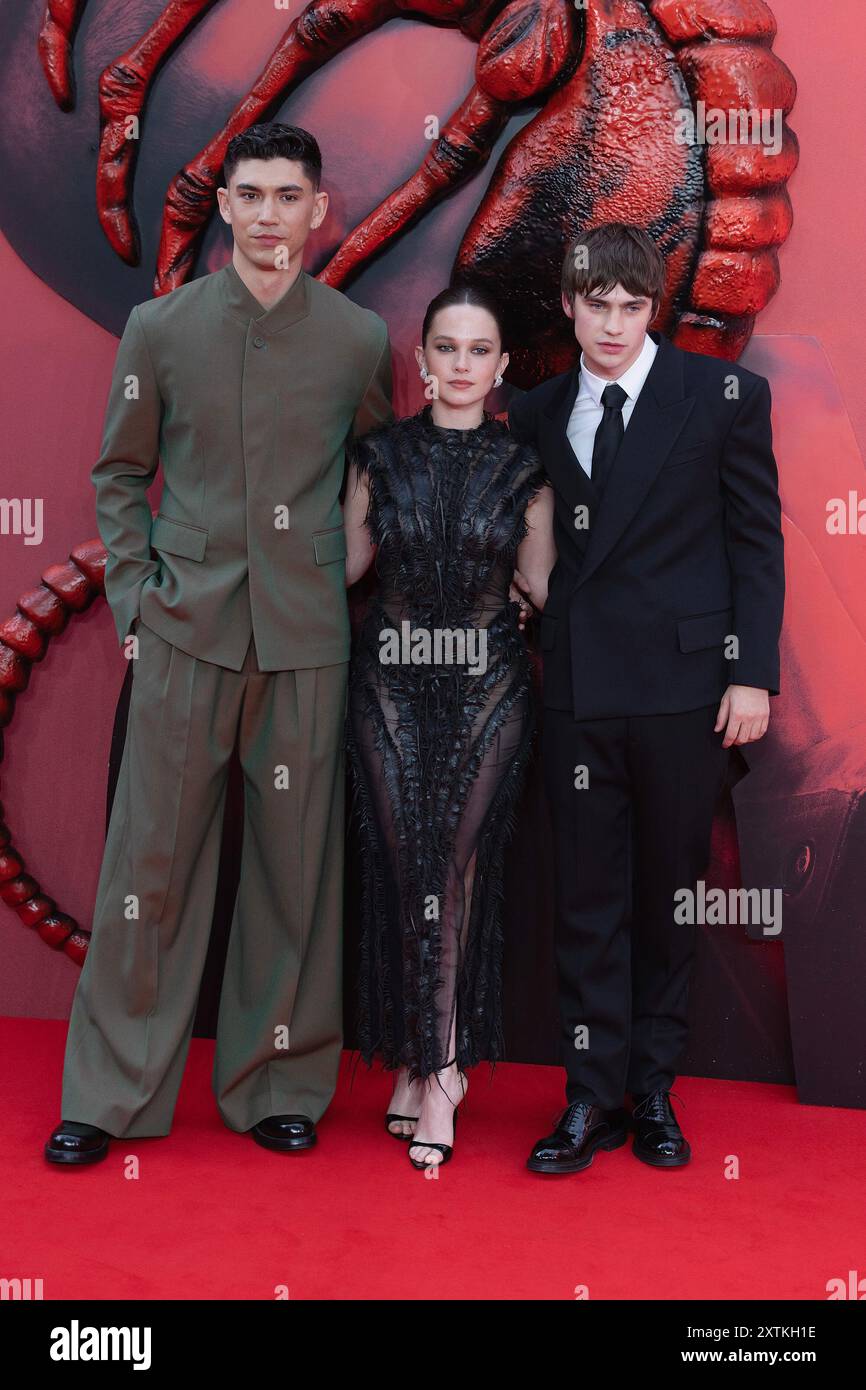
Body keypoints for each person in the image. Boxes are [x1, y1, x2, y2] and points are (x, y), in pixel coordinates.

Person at [45, 122, 393, 1165]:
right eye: (251, 194)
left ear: (317, 210)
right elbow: (118, 476)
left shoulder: (357, 339)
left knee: (294, 874)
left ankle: (277, 1082)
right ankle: (108, 1094)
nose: (270, 214)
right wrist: (139, 603)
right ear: (225, 207)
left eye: (289, 195)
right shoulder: (159, 328)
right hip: (185, 632)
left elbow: (373, 457)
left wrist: (350, 549)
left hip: (305, 639)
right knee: (146, 870)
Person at [508, 222, 785, 1174]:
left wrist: (751, 672)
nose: (615, 324)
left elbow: (757, 540)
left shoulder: (721, 397)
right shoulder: (537, 411)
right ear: (570, 305)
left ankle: (654, 1092)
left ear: (653, 307)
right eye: (598, 305)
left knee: (670, 897)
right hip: (579, 687)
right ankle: (590, 1100)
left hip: (685, 690)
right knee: (585, 901)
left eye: (632, 307)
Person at [343, 285, 555, 1168]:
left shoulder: (526, 474)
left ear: (501, 367)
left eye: (479, 351)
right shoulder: (375, 459)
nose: (461, 365)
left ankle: (440, 1072)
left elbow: (541, 593)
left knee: (451, 875)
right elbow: (344, 568)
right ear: (421, 360)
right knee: (402, 870)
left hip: (485, 696)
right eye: (446, 348)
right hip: (387, 690)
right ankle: (412, 1055)